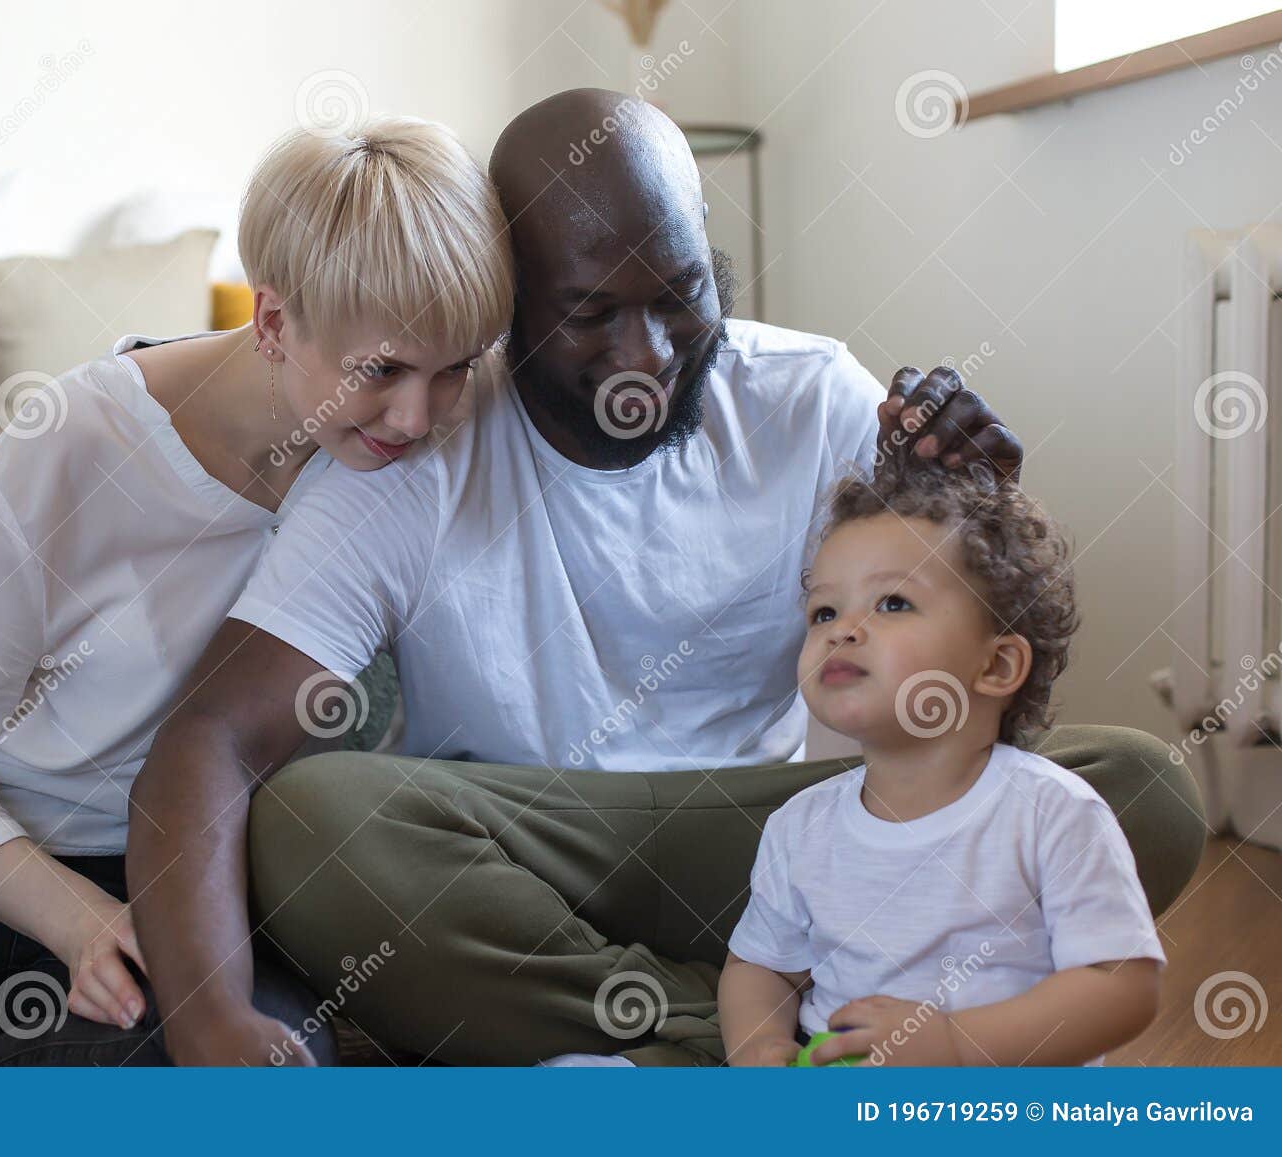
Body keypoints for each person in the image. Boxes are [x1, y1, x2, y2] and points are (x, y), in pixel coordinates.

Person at [123, 88, 1205, 1066]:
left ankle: (680, 1047)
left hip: (783, 847)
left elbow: (987, 687)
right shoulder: (413, 453)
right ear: (509, 306)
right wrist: (211, 1021)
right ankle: (766, 1051)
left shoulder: (808, 395)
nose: (645, 354)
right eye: (592, 312)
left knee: (1139, 786)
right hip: (521, 852)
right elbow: (209, 739)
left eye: (680, 295)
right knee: (313, 823)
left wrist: (986, 521)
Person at [0, 116, 513, 1065]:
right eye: (382, 372)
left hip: (191, 881)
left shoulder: (412, 448)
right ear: (275, 322)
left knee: (260, 1080)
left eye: (454, 369)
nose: (419, 415)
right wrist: (76, 918)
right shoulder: (78, 437)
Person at [719, 456, 1161, 1068]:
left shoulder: (1051, 811)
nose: (842, 630)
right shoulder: (800, 826)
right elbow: (762, 966)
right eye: (824, 611)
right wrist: (759, 1046)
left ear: (997, 665)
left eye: (893, 603)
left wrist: (956, 1044)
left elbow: (1123, 987)